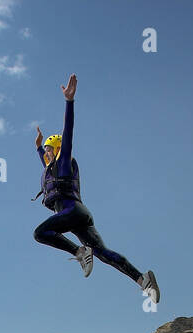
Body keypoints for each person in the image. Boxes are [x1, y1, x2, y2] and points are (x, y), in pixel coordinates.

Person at [33, 74, 160, 304]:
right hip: (80, 216)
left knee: (40, 233)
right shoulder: (51, 165)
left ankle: (80, 253)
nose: (47, 154)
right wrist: (38, 148)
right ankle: (143, 280)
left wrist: (69, 102)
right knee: (102, 253)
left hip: (71, 212)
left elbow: (68, 132)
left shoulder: (64, 162)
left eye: (50, 149)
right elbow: (45, 161)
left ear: (58, 148)